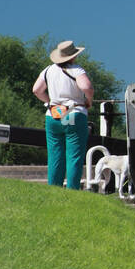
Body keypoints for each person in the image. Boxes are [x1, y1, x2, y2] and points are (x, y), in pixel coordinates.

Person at [32, 40, 94, 189]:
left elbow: (36, 90)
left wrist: (49, 102)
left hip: (53, 115)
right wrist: (88, 101)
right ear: (73, 56)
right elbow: (87, 87)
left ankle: (54, 190)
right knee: (73, 155)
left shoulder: (47, 70)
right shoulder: (76, 70)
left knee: (55, 155)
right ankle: (72, 191)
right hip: (72, 113)